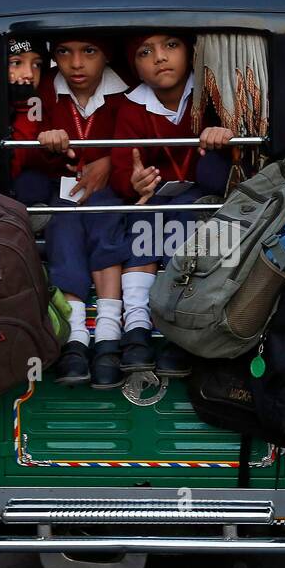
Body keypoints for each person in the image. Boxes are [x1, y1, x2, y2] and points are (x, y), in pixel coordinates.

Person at [11, 35, 132, 389]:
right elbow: (25, 143)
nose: (76, 64)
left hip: (111, 190)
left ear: (106, 54)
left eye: (89, 52)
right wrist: (45, 142)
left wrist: (110, 159)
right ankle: (75, 336)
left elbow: (141, 139)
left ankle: (109, 330)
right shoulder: (44, 88)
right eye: (64, 52)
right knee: (63, 228)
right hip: (62, 189)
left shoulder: (127, 91)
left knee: (105, 216)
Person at [111, 32, 234, 376]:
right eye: (144, 51)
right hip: (159, 197)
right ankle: (137, 328)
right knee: (145, 217)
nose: (159, 57)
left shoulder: (213, 92)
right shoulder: (130, 106)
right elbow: (123, 170)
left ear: (191, 52)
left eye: (170, 46)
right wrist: (132, 182)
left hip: (201, 197)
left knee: (189, 217)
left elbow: (240, 154)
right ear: (134, 66)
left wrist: (225, 136)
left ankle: (180, 332)